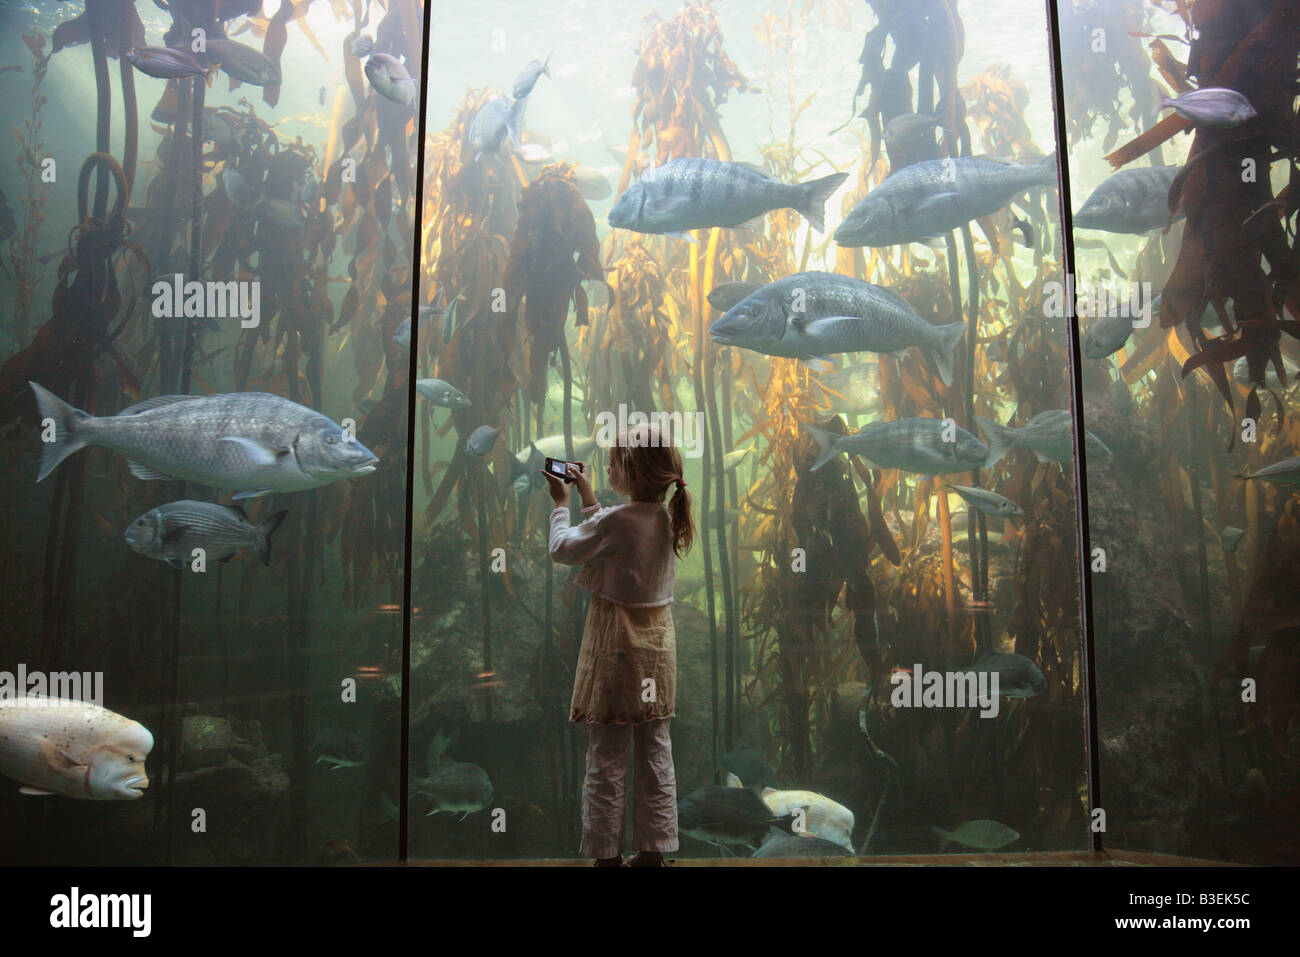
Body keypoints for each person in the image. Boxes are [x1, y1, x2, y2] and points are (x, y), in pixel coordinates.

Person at [542, 423, 694, 868]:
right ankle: (654, 854)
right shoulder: (665, 518)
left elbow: (562, 550)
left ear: (630, 471)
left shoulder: (616, 522)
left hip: (615, 653)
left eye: (612, 462)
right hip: (656, 655)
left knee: (607, 752)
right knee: (655, 749)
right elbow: (612, 531)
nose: (606, 466)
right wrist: (590, 496)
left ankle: (606, 857)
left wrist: (561, 505)